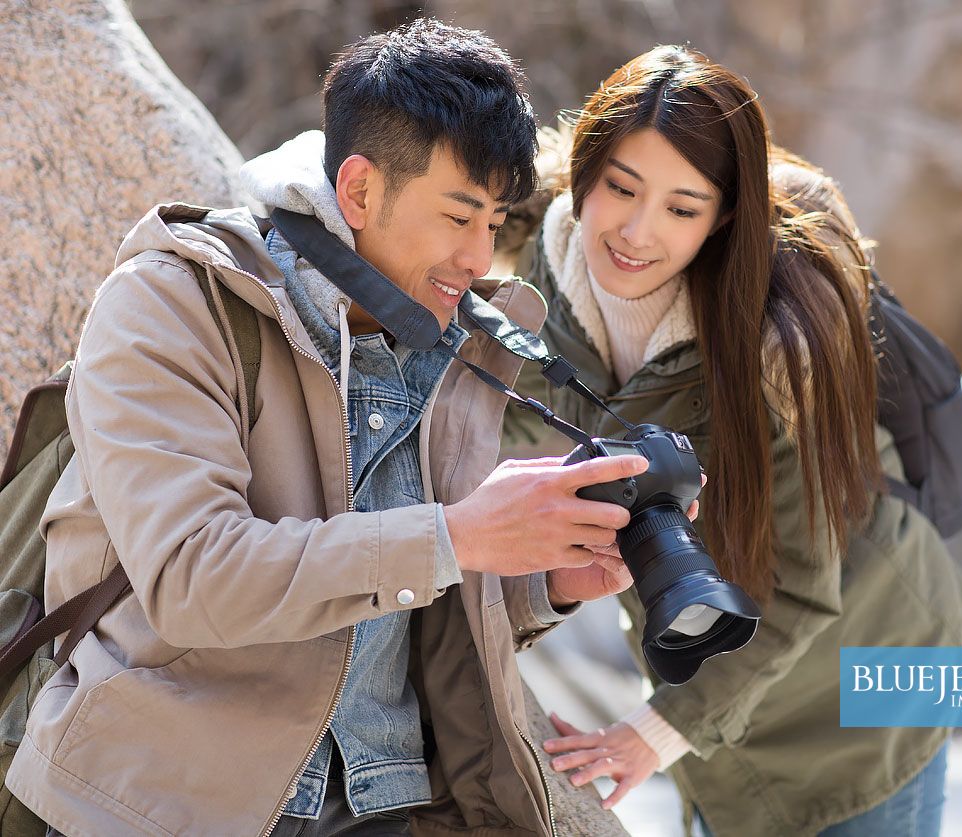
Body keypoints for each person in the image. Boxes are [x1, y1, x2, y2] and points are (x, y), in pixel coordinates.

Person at [7, 20, 660, 837]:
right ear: (357, 191)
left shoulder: (451, 336)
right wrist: (458, 536)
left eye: (494, 222)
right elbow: (191, 578)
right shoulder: (172, 302)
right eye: (458, 215)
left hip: (387, 801)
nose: (477, 255)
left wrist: (549, 578)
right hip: (164, 799)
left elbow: (413, 595)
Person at [502, 46, 962, 837]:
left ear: (723, 217)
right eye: (620, 187)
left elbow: (798, 583)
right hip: (719, 689)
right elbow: (524, 421)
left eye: (681, 208)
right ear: (580, 172)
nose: (633, 231)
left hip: (862, 687)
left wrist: (650, 735)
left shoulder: (774, 351)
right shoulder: (540, 275)